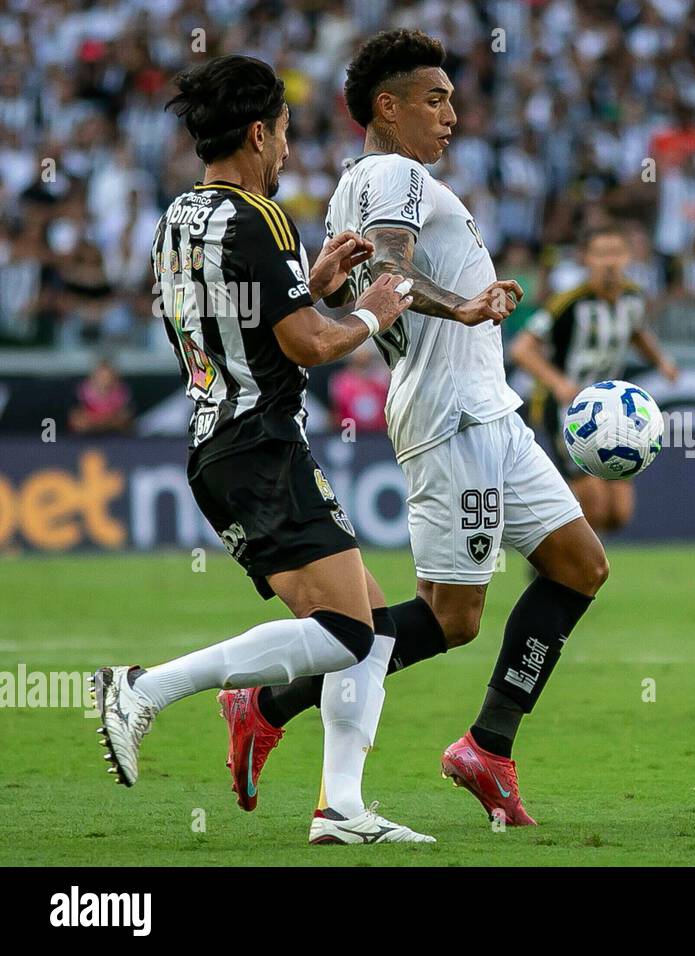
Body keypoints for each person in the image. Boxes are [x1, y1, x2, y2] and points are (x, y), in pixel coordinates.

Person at [219, 29, 609, 827]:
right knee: (453, 617)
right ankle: (265, 701)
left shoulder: (362, 187)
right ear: (386, 107)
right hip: (451, 411)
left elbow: (353, 291)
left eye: (454, 100)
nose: (452, 115)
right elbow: (392, 272)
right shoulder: (391, 173)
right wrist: (463, 304)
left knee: (579, 565)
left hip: (489, 405)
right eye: (435, 99)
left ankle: (487, 748)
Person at [91, 54, 430, 845]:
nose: (286, 153)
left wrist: (306, 284)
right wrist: (374, 311)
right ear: (257, 132)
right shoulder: (259, 215)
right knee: (351, 632)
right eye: (281, 136)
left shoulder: (175, 218)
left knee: (370, 620)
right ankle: (144, 687)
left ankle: (341, 809)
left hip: (216, 446)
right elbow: (307, 347)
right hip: (262, 442)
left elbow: (234, 324)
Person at [510, 223, 679, 531]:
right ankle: (559, 564)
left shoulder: (632, 298)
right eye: (601, 254)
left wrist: (661, 362)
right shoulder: (568, 303)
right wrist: (559, 383)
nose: (609, 262)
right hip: (570, 412)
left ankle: (555, 554)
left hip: (615, 413)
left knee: (619, 514)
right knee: (595, 506)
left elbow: (638, 332)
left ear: (628, 257)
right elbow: (521, 349)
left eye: (616, 253)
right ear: (585, 259)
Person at [69, 358, 134, 433]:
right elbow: (76, 421)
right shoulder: (82, 392)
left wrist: (101, 422)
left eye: (108, 377)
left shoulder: (122, 393)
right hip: (86, 438)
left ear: (115, 377)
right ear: (93, 376)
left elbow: (126, 420)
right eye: (101, 376)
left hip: (116, 437)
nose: (105, 380)